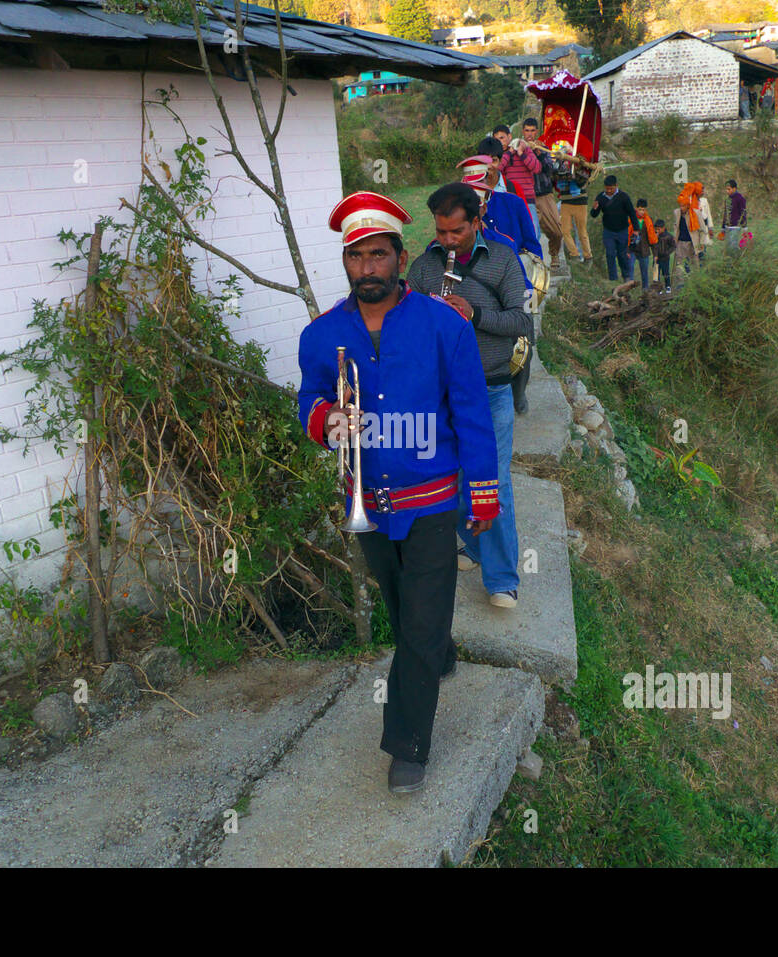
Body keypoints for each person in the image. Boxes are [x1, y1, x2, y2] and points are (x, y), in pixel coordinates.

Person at [298, 191, 500, 794]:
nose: (368, 268)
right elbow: (307, 398)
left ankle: (408, 744)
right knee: (404, 608)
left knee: (415, 626)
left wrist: (483, 492)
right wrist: (324, 420)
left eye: (379, 255)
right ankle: (438, 651)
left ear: (400, 256)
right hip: (370, 505)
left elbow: (471, 412)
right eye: (357, 257)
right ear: (346, 262)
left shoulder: (446, 324)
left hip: (435, 503)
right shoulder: (320, 334)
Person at [406, 183, 531, 612]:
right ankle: (476, 548)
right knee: (451, 480)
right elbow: (404, 330)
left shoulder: (502, 261)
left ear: (476, 223)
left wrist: (473, 314)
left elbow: (523, 322)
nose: (446, 241)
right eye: (440, 232)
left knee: (489, 481)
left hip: (491, 389)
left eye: (456, 232)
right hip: (440, 395)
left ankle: (502, 579)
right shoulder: (424, 269)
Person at [457, 153, 538, 416]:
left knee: (523, 343)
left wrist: (527, 300)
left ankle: (519, 391)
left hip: (509, 301)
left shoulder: (511, 210)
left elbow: (532, 251)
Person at [522, 117, 565, 268]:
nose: (530, 134)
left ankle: (554, 254)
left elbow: (550, 169)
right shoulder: (518, 148)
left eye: (533, 131)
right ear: (523, 132)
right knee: (530, 232)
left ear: (537, 132)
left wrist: (539, 153)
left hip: (544, 194)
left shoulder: (544, 149)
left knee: (557, 231)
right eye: (527, 131)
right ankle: (530, 262)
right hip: (525, 196)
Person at [494, 123, 542, 236]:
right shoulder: (499, 156)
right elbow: (497, 169)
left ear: (509, 137)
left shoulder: (524, 148)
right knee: (513, 232)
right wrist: (509, 154)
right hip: (511, 197)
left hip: (527, 197)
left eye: (502, 138)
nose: (500, 141)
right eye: (497, 139)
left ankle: (534, 253)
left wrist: (521, 153)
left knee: (534, 231)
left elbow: (537, 168)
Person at [590, 174, 639, 281]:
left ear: (616, 186)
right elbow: (594, 214)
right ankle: (613, 278)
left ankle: (626, 276)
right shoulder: (601, 197)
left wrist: (636, 229)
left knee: (622, 255)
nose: (609, 191)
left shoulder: (624, 197)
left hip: (622, 230)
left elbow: (632, 213)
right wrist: (594, 209)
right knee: (610, 254)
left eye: (611, 188)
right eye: (607, 188)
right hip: (608, 231)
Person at [552, 142, 593, 264]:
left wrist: (576, 167)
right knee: (564, 230)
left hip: (580, 202)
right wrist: (559, 167)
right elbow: (555, 178)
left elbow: (583, 180)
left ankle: (587, 255)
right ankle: (574, 253)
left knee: (581, 231)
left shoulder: (580, 165)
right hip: (566, 201)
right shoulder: (557, 167)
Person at [628, 198, 657, 290]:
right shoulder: (630, 219)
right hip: (632, 249)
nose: (641, 212)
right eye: (640, 209)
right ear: (636, 208)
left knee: (644, 272)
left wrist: (655, 253)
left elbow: (652, 238)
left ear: (646, 210)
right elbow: (626, 235)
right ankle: (628, 288)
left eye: (643, 210)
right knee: (630, 269)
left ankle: (645, 290)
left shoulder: (649, 220)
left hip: (644, 250)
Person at [723, 179, 747, 258]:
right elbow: (725, 214)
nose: (727, 191)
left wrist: (744, 226)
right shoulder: (727, 200)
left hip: (735, 227)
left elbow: (743, 213)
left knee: (733, 246)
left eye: (729, 189)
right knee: (728, 247)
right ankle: (729, 263)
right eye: (726, 189)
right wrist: (723, 227)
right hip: (727, 227)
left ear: (734, 189)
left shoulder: (740, 199)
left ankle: (735, 261)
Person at [653, 219, 675, 293]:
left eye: (659, 229)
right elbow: (654, 246)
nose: (657, 230)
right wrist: (655, 255)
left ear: (663, 228)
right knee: (656, 274)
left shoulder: (668, 236)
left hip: (665, 258)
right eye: (656, 229)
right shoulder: (655, 235)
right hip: (656, 258)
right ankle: (658, 288)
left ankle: (668, 286)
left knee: (666, 273)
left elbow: (673, 246)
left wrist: (667, 252)